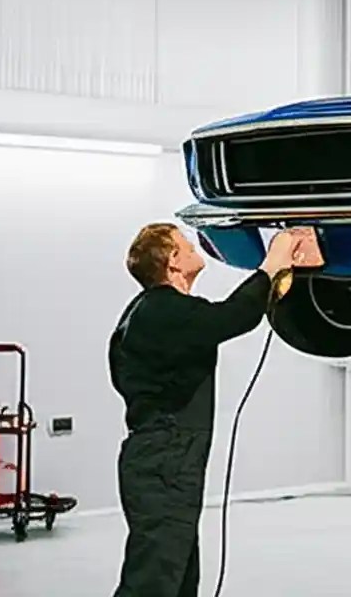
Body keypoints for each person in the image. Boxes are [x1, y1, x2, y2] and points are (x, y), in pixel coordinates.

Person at [108, 223, 308, 597]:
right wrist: (272, 264)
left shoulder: (145, 312)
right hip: (165, 460)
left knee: (179, 573)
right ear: (172, 261)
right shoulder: (164, 310)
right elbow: (232, 317)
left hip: (162, 458)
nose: (192, 248)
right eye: (185, 245)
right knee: (153, 579)